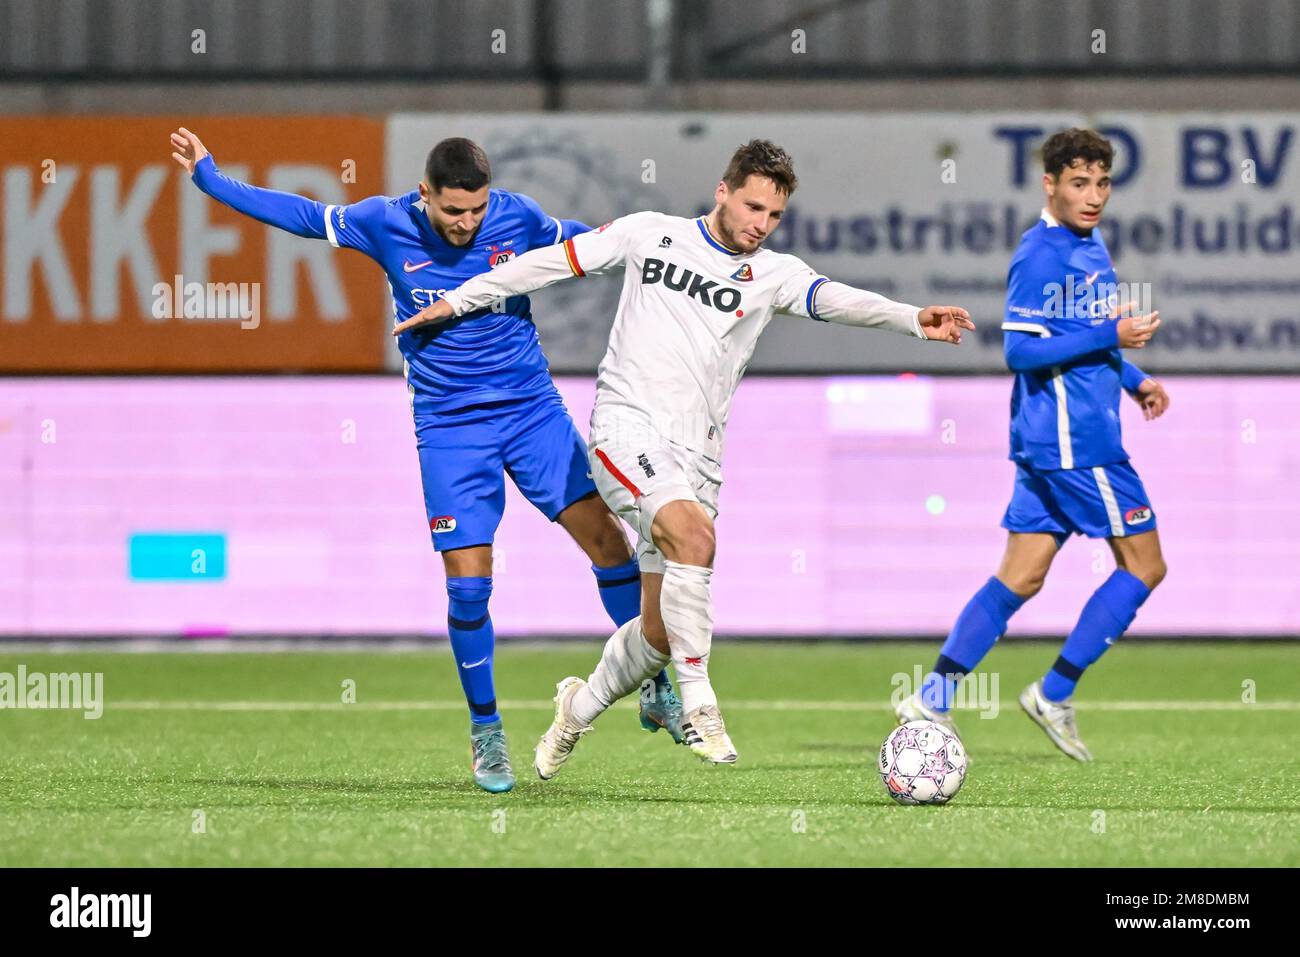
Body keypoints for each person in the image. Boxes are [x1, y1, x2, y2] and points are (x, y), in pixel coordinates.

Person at [393, 139, 974, 774]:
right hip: (625, 432)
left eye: (773, 216)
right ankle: (700, 706)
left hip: (697, 457)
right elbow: (544, 265)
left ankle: (576, 710)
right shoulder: (650, 235)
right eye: (752, 206)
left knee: (658, 633)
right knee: (694, 540)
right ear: (722, 191)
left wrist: (916, 320)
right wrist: (459, 299)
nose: (760, 224)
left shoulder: (774, 275)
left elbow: (839, 300)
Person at [170, 128, 683, 794]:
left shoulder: (518, 217)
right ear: (425, 196)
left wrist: (654, 251)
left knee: (613, 547)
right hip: (450, 429)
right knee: (469, 585)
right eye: (452, 213)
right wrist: (212, 180)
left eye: (475, 211)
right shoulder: (383, 223)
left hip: (531, 412)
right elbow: (298, 215)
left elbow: (590, 242)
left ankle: (651, 680)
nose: (466, 224)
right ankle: (487, 730)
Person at [895, 128, 1170, 761]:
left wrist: (1133, 380)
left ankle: (932, 698)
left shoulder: (1090, 243)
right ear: (1049, 184)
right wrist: (1113, 332)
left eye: (1102, 183)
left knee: (1021, 575)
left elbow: (1078, 339)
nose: (1094, 195)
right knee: (1145, 566)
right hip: (1079, 447)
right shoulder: (1042, 255)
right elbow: (1020, 350)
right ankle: (1054, 691)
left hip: (1051, 441)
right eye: (1079, 183)